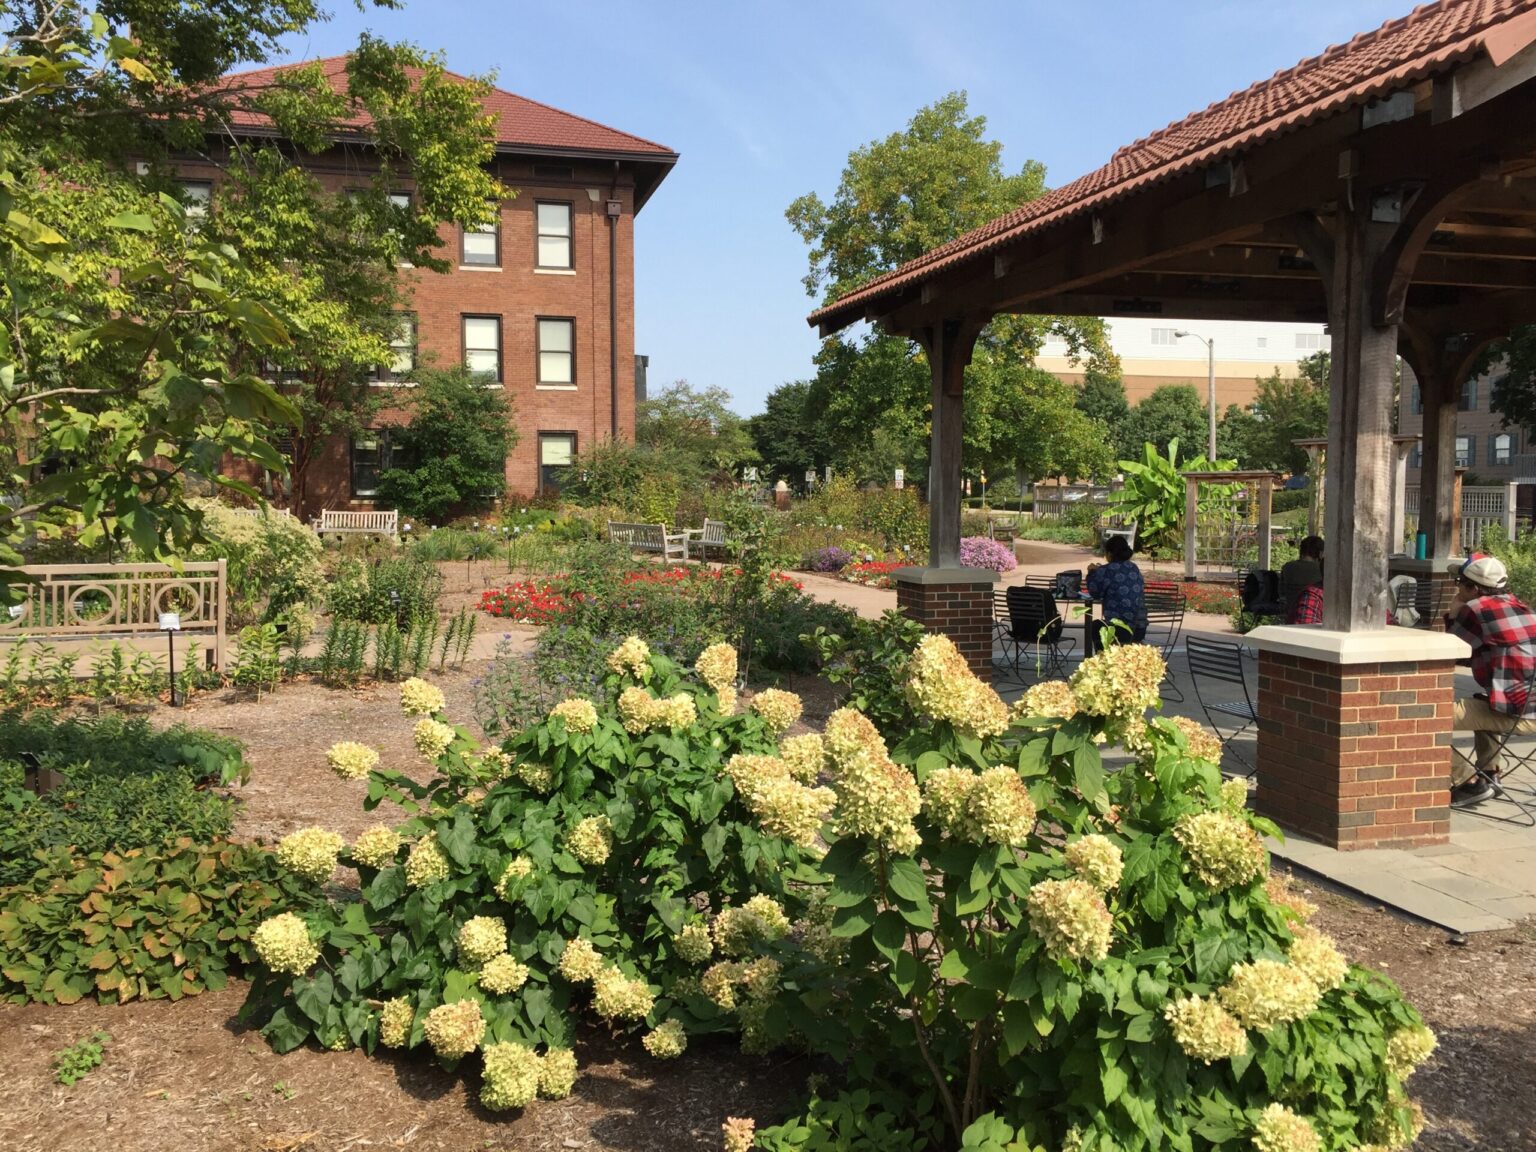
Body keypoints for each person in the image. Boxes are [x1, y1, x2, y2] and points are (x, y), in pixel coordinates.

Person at [1443, 554, 1536, 806]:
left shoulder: (1477, 609)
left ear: (1473, 588)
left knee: (1425, 717)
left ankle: (1469, 780)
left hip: (1520, 714)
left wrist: (1453, 612)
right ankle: (1490, 774)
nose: (1457, 586)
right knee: (1482, 704)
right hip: (1528, 707)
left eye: (1459, 581)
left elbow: (1449, 653)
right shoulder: (1522, 607)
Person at [1086, 535, 1147, 650]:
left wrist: (1092, 573)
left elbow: (1095, 593)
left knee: (1096, 626)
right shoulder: (1134, 567)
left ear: (1109, 553)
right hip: (1139, 628)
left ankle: (1103, 659)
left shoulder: (1106, 570)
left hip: (1120, 630)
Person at [1281, 536, 1324, 624]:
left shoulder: (1287, 567)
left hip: (1290, 614)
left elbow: (1281, 592)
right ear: (1320, 553)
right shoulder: (1321, 569)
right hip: (1315, 616)